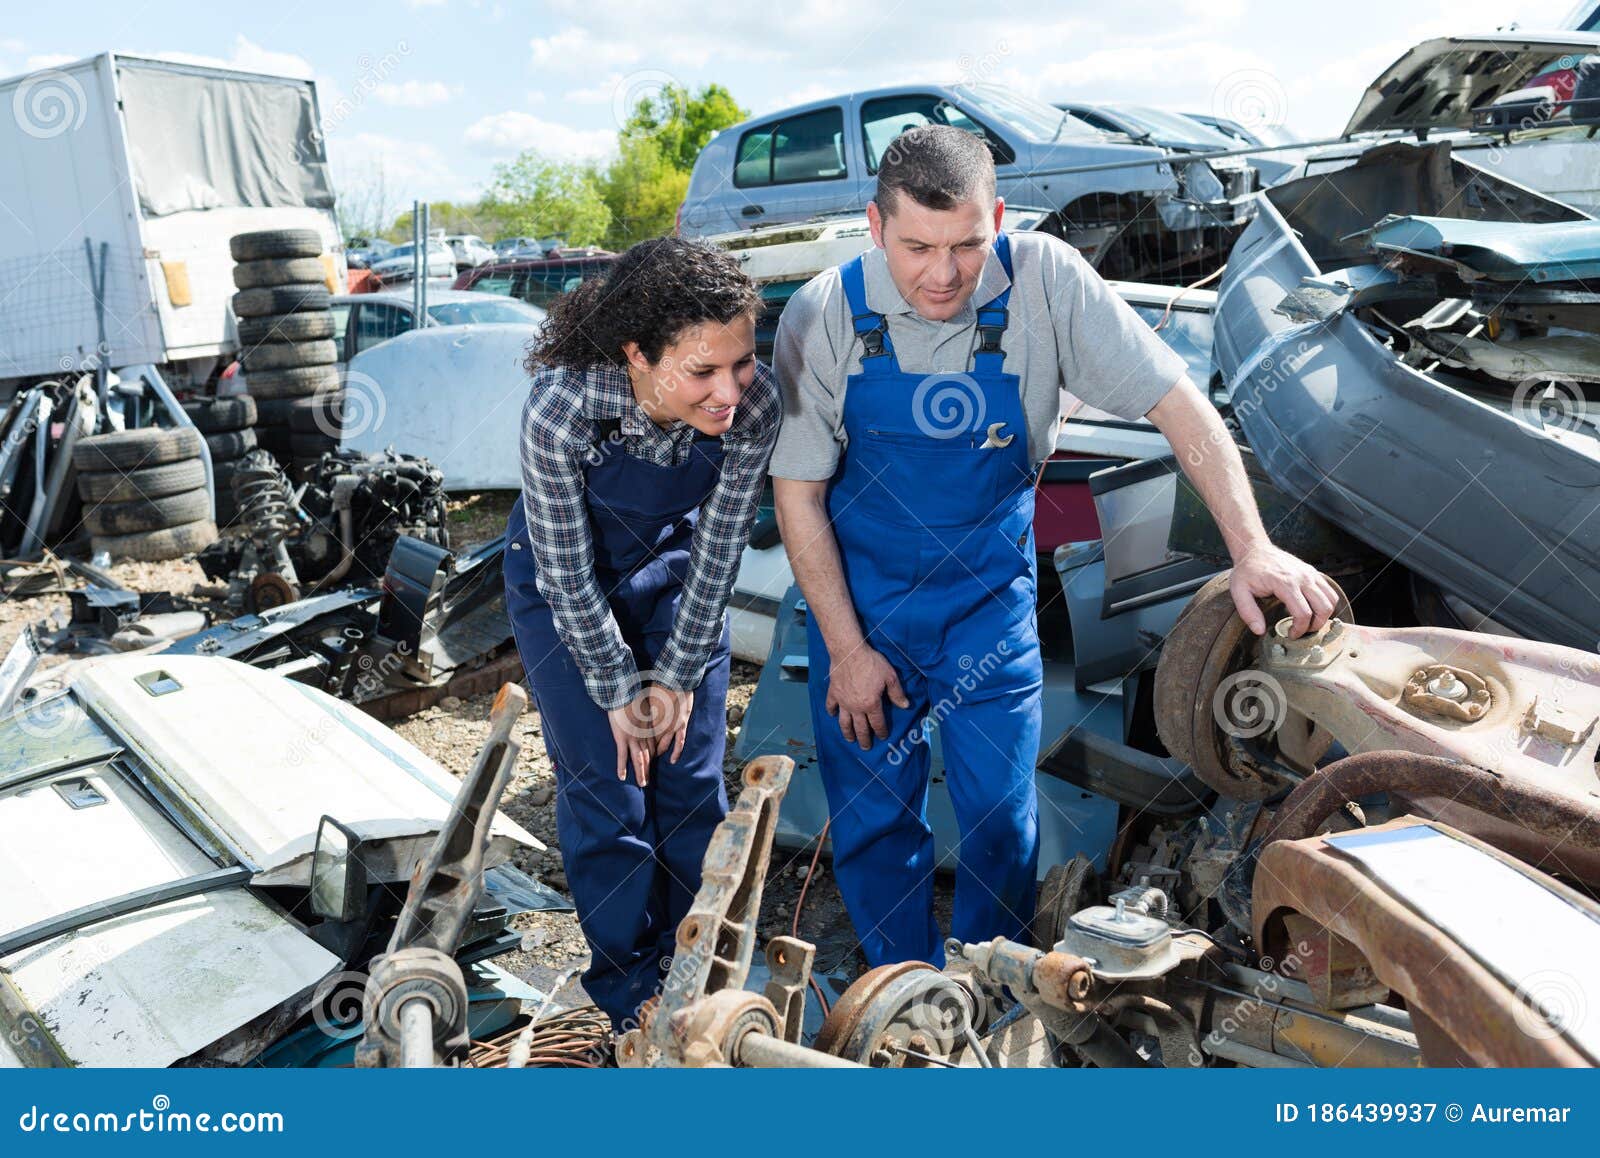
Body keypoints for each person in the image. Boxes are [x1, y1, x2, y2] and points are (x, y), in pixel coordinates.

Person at [770, 125, 1339, 968]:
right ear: (874, 225)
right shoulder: (822, 314)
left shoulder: (1046, 282)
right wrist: (848, 649)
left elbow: (1180, 407)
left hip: (986, 608)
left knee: (1000, 814)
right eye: (917, 247)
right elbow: (799, 494)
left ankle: (989, 989)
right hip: (863, 606)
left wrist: (1251, 547)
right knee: (874, 820)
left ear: (999, 217)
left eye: (968, 244)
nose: (943, 273)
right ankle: (902, 997)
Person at [504, 238, 778, 1029]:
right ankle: (629, 989)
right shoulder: (562, 408)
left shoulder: (754, 407)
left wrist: (678, 673)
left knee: (690, 781)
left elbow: (721, 546)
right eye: (701, 373)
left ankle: (701, 975)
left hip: (679, 576)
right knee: (609, 789)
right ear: (637, 355)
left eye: (742, 362)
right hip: (564, 587)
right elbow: (564, 570)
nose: (729, 392)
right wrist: (620, 687)